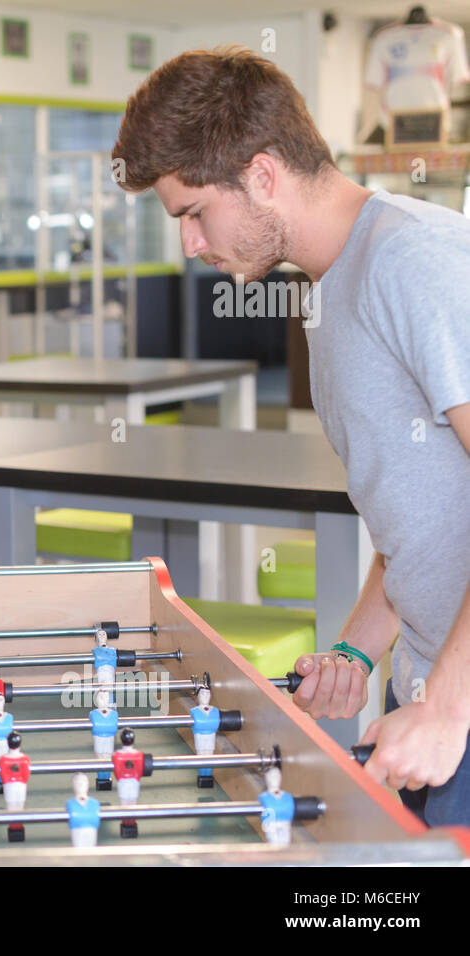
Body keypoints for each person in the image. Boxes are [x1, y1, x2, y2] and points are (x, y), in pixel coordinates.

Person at [113, 46, 470, 827]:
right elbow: (425, 512)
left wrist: (448, 708)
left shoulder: (414, 260)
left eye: (194, 213)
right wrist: (356, 649)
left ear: (264, 176)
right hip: (423, 691)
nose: (191, 245)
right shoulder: (329, 290)